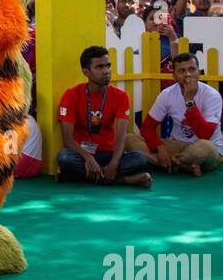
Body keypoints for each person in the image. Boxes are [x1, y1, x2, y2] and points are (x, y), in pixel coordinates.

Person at [56, 46, 152, 188]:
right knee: (63, 157)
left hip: (108, 154)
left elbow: (121, 136)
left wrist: (114, 163)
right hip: (82, 155)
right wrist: (88, 158)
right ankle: (125, 180)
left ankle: (77, 177)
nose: (106, 71)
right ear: (86, 71)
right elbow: (68, 140)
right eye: (100, 67)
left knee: (140, 159)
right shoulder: (71, 95)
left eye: (108, 66)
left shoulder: (121, 97)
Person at [139, 53, 223, 175]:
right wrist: (160, 148)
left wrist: (189, 100)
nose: (188, 74)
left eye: (192, 69)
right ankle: (183, 165)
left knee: (202, 148)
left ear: (198, 72)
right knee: (131, 140)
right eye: (182, 71)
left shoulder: (212, 95)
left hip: (206, 148)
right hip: (178, 145)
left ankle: (171, 163)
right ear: (174, 75)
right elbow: (147, 128)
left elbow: (205, 134)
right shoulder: (167, 94)